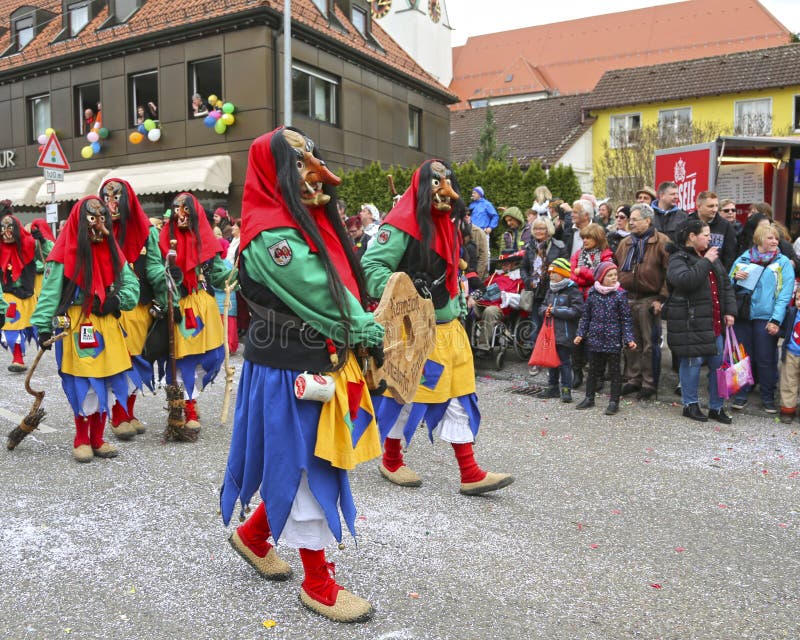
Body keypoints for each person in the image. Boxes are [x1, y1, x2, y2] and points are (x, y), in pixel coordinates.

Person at [219, 127, 384, 623]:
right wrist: (365, 327)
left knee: (310, 460)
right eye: (297, 161)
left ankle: (252, 535)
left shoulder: (302, 222)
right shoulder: (272, 236)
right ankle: (318, 583)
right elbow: (320, 293)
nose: (311, 170)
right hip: (289, 371)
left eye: (311, 157)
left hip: (317, 365)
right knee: (309, 469)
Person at [361, 159, 514, 496]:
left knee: (461, 396)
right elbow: (370, 267)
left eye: (448, 180)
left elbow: (451, 273)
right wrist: (404, 285)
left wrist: (460, 300)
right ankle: (390, 460)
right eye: (435, 181)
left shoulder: (447, 225)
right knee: (406, 397)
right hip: (414, 331)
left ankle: (470, 472)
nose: (444, 188)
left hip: (450, 328)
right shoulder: (400, 226)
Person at [30, 196, 140, 462]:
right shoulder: (61, 255)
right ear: (80, 222)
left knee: (107, 379)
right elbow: (49, 294)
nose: (99, 225)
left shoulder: (114, 252)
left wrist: (116, 300)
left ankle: (98, 438)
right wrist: (43, 329)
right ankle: (81, 438)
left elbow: (132, 286)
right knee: (84, 382)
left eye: (103, 218)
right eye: (92, 218)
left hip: (108, 324)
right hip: (79, 323)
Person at [158, 192, 235, 431]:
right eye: (177, 209)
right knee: (185, 360)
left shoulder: (206, 240)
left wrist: (242, 271)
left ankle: (191, 396)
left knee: (214, 356)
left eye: (186, 210)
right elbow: (155, 274)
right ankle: (184, 406)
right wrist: (167, 299)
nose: (181, 215)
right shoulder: (162, 240)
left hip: (206, 307)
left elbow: (221, 272)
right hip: (179, 307)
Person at [100, 178, 164, 440]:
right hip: (109, 309)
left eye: (117, 197)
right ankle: (117, 414)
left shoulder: (148, 232)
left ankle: (129, 411)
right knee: (118, 362)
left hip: (140, 307)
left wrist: (168, 289)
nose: (112, 203)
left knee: (138, 360)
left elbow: (154, 267)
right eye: (107, 198)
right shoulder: (95, 231)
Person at [666, 219, 736, 423]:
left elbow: (725, 285)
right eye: (705, 234)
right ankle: (690, 405)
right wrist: (706, 261)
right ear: (692, 237)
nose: (709, 238)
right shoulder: (677, 258)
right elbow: (686, 281)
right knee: (692, 363)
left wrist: (730, 310)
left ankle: (716, 407)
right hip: (691, 322)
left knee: (718, 367)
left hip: (714, 322)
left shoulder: (711, 257)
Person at [729, 223, 794, 414]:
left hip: (766, 317)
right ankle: (740, 393)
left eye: (776, 238)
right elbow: (728, 282)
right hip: (743, 315)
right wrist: (735, 278)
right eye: (770, 238)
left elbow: (785, 295)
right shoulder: (743, 258)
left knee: (765, 358)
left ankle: (767, 396)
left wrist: (775, 320)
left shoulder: (782, 263)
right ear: (759, 240)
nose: (775, 242)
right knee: (741, 356)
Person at [615, 203, 670, 401]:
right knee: (631, 343)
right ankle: (633, 379)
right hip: (628, 297)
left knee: (649, 344)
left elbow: (669, 273)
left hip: (649, 299)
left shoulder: (661, 242)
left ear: (648, 220)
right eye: (630, 220)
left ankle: (649, 383)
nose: (630, 223)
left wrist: (661, 298)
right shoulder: (626, 243)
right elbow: (617, 267)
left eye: (635, 219)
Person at [574, 261, 636, 415]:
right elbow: (586, 316)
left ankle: (614, 401)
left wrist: (628, 338)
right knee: (593, 370)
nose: (614, 278)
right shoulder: (592, 294)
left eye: (615, 275)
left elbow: (626, 319)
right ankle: (589, 397)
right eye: (610, 275)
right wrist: (580, 334)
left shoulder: (620, 295)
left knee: (615, 372)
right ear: (601, 277)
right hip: (594, 338)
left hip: (613, 339)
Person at [519, 215, 568, 357]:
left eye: (542, 228)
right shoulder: (530, 247)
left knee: (551, 325)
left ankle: (551, 356)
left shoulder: (559, 246)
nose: (539, 231)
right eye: (536, 228)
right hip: (535, 291)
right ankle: (536, 357)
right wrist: (528, 280)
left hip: (553, 291)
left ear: (548, 230)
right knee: (535, 323)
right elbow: (523, 268)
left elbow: (564, 269)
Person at [536, 257, 583, 402]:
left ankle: (566, 389)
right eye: (550, 272)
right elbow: (542, 306)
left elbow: (576, 310)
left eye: (554, 272)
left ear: (562, 274)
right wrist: (546, 311)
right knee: (552, 361)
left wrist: (555, 310)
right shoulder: (551, 290)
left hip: (566, 334)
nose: (551, 275)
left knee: (564, 362)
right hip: (551, 334)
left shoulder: (572, 290)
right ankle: (553, 388)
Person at [0, 205, 37, 373]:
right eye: (3, 229)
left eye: (10, 229)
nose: (6, 233)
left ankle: (19, 356)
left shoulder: (28, 245)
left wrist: (42, 240)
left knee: (20, 326)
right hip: (7, 296)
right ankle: (17, 356)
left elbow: (46, 255)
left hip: (25, 294)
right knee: (12, 326)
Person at [472, 251, 524, 351]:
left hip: (501, 308)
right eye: (502, 263)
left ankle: (483, 347)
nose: (504, 265)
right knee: (468, 307)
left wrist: (505, 296)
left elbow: (520, 300)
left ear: (514, 263)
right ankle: (468, 343)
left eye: (507, 263)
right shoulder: (494, 276)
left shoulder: (519, 279)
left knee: (490, 311)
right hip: (483, 303)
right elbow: (483, 288)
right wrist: (473, 297)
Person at [688, 191, 738, 270]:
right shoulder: (687, 223)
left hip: (717, 274)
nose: (714, 209)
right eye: (710, 206)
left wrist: (722, 274)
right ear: (698, 206)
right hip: (693, 272)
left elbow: (730, 255)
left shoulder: (726, 226)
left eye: (716, 206)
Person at [778, 287, 800, 423]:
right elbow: (785, 330)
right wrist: (777, 331)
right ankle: (788, 410)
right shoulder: (792, 313)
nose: (799, 302)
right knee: (788, 383)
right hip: (791, 353)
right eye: (798, 299)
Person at [28, 218, 55, 297]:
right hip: (42, 279)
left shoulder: (46, 243)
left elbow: (41, 265)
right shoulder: (52, 243)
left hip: (40, 278)